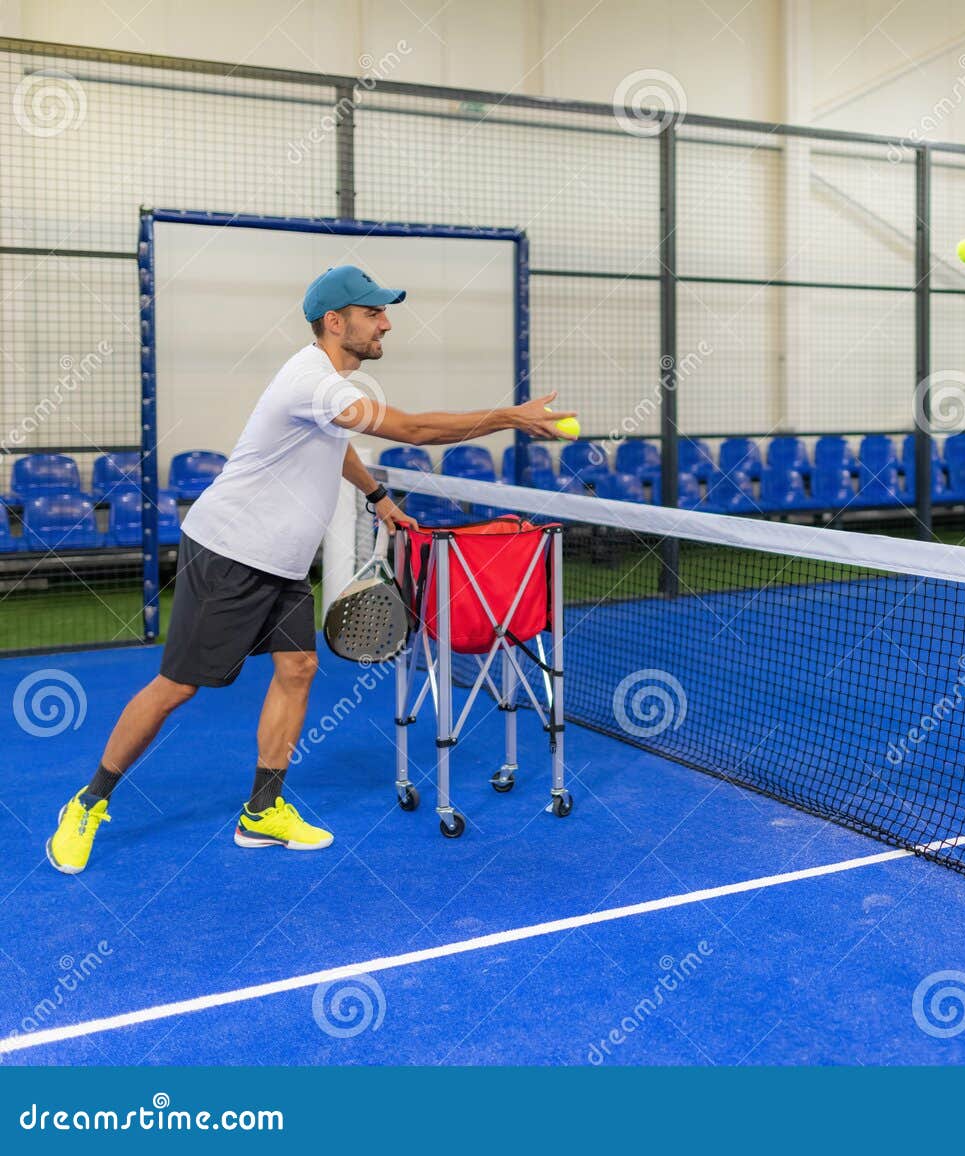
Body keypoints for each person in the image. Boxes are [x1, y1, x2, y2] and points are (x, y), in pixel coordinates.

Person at [46, 264, 576, 873]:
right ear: (334, 321)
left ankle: (262, 812)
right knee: (177, 688)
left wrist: (378, 497)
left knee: (297, 668)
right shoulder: (311, 380)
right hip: (228, 554)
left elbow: (333, 443)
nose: (386, 323)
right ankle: (88, 802)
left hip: (284, 563)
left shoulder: (327, 385)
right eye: (374, 313)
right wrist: (509, 417)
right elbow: (412, 428)